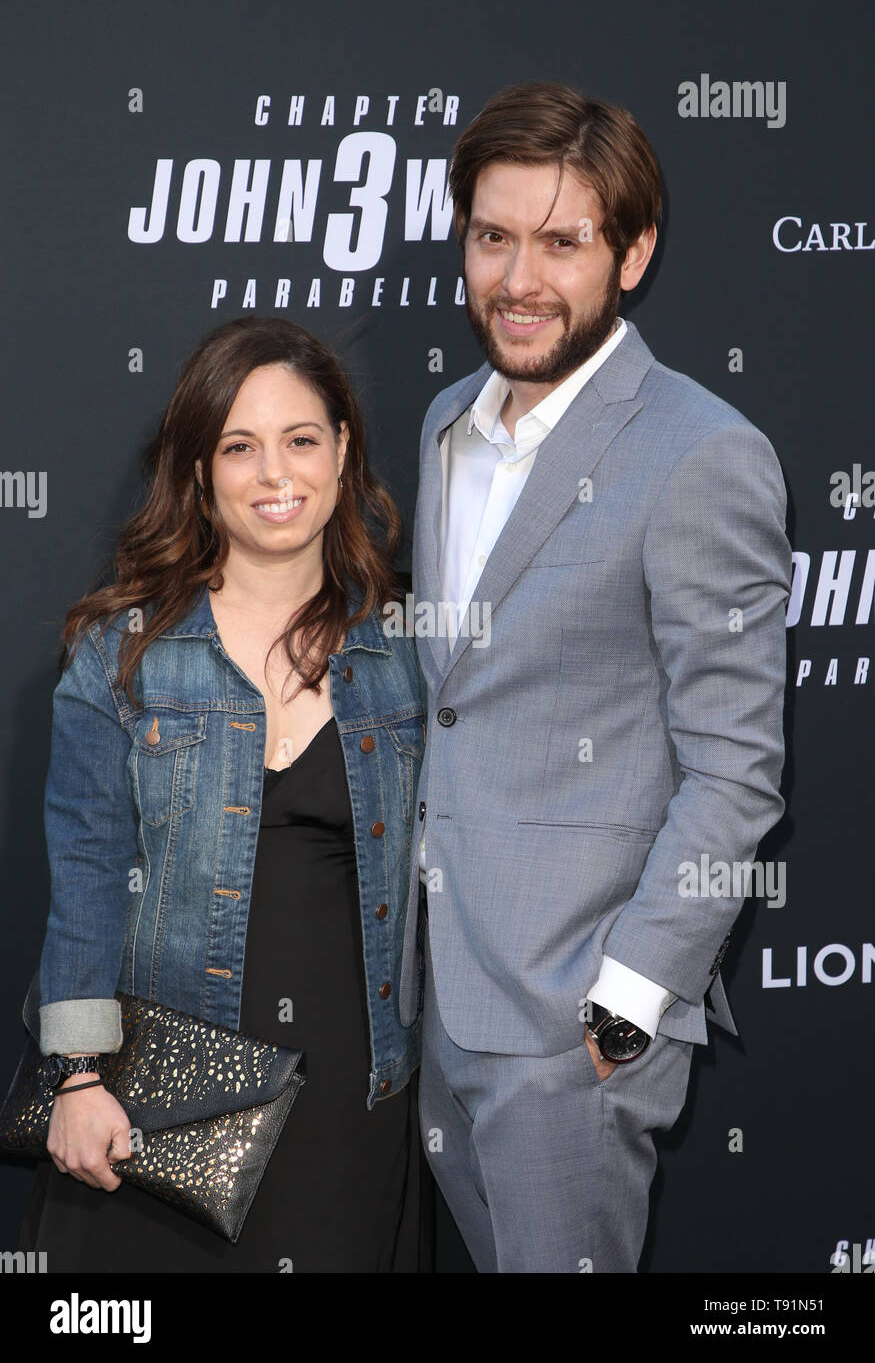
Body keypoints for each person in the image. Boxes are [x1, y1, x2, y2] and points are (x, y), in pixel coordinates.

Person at [398, 81, 792, 1273]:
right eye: (491, 236)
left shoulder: (699, 453)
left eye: (560, 241)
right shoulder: (442, 424)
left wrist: (623, 1001)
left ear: (632, 254)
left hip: (575, 1024)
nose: (517, 278)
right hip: (439, 997)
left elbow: (736, 768)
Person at [18, 315, 431, 1272]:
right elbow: (86, 872)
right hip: (162, 1096)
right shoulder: (121, 655)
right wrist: (78, 1074)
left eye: (300, 440)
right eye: (237, 446)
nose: (274, 474)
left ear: (342, 454)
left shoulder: (411, 647)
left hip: (355, 1091)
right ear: (199, 472)